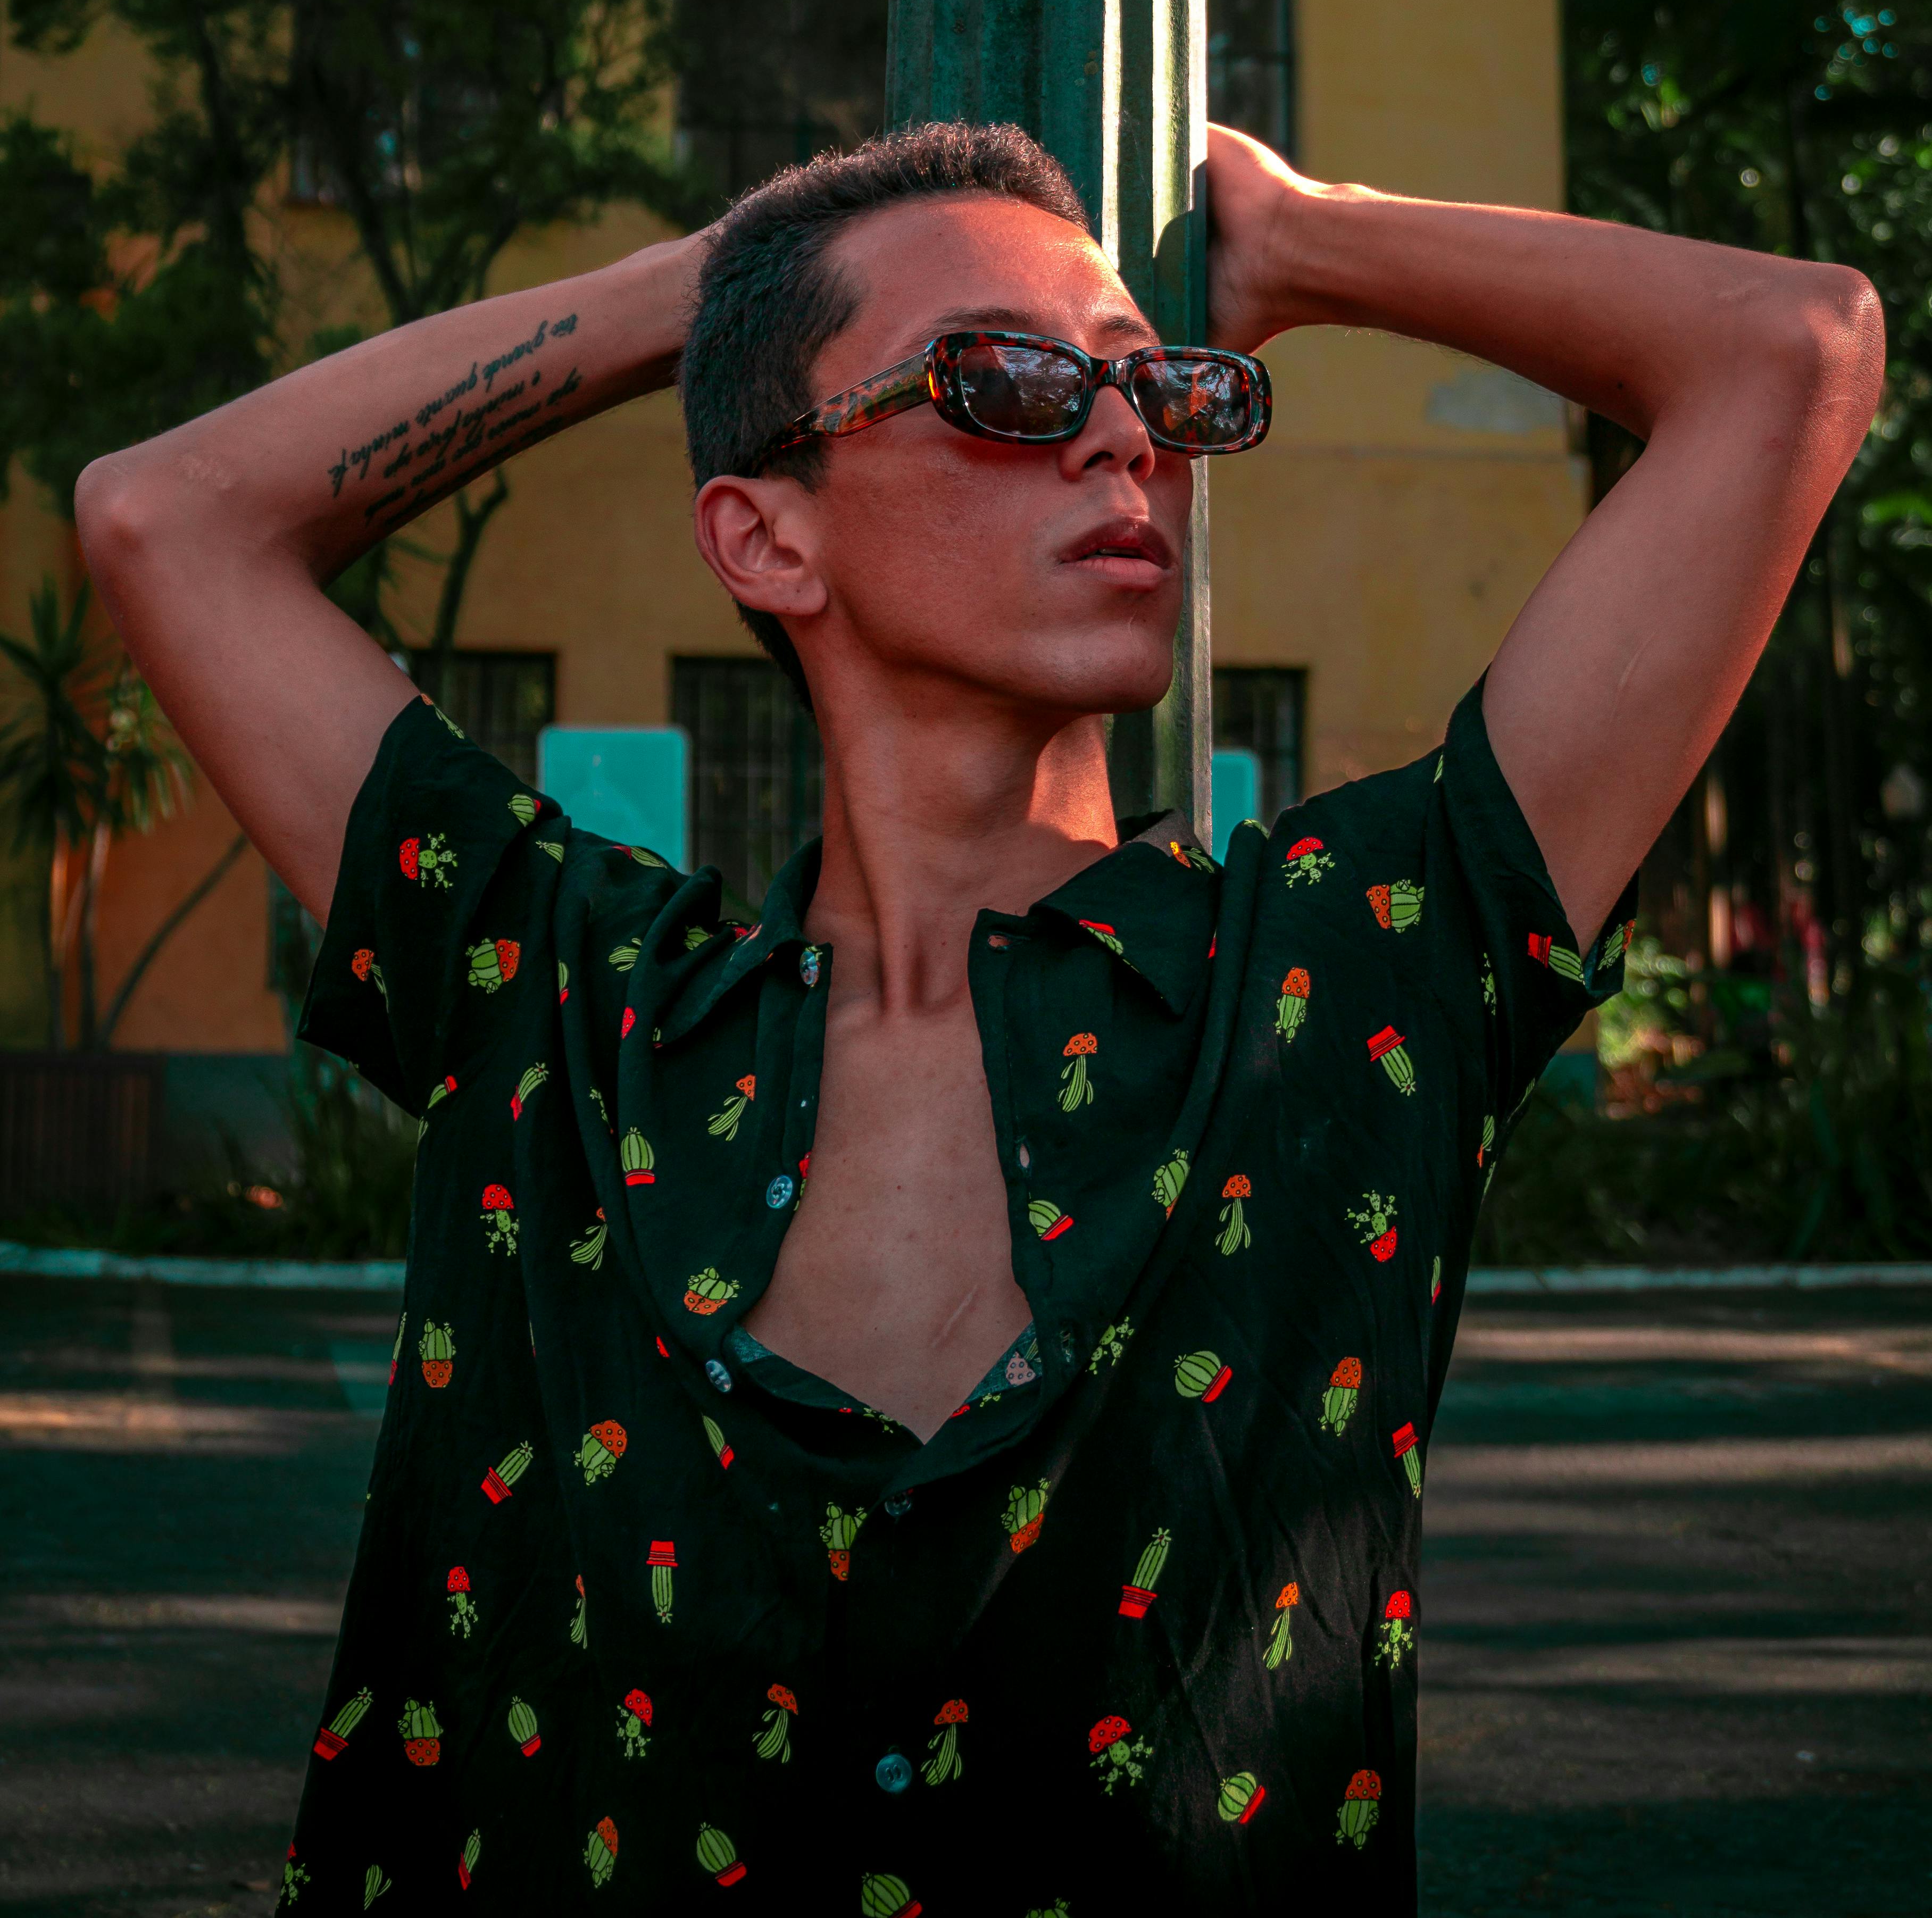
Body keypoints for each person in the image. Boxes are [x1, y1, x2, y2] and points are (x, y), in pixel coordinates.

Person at [77, 119, 1880, 1911]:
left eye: (1155, 391)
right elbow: (166, 519)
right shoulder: (564, 1003)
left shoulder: (1354, 972)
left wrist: (1306, 245)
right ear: (765, 540)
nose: (1122, 438)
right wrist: (697, 296)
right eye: (1003, 381)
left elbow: (1787, 353)